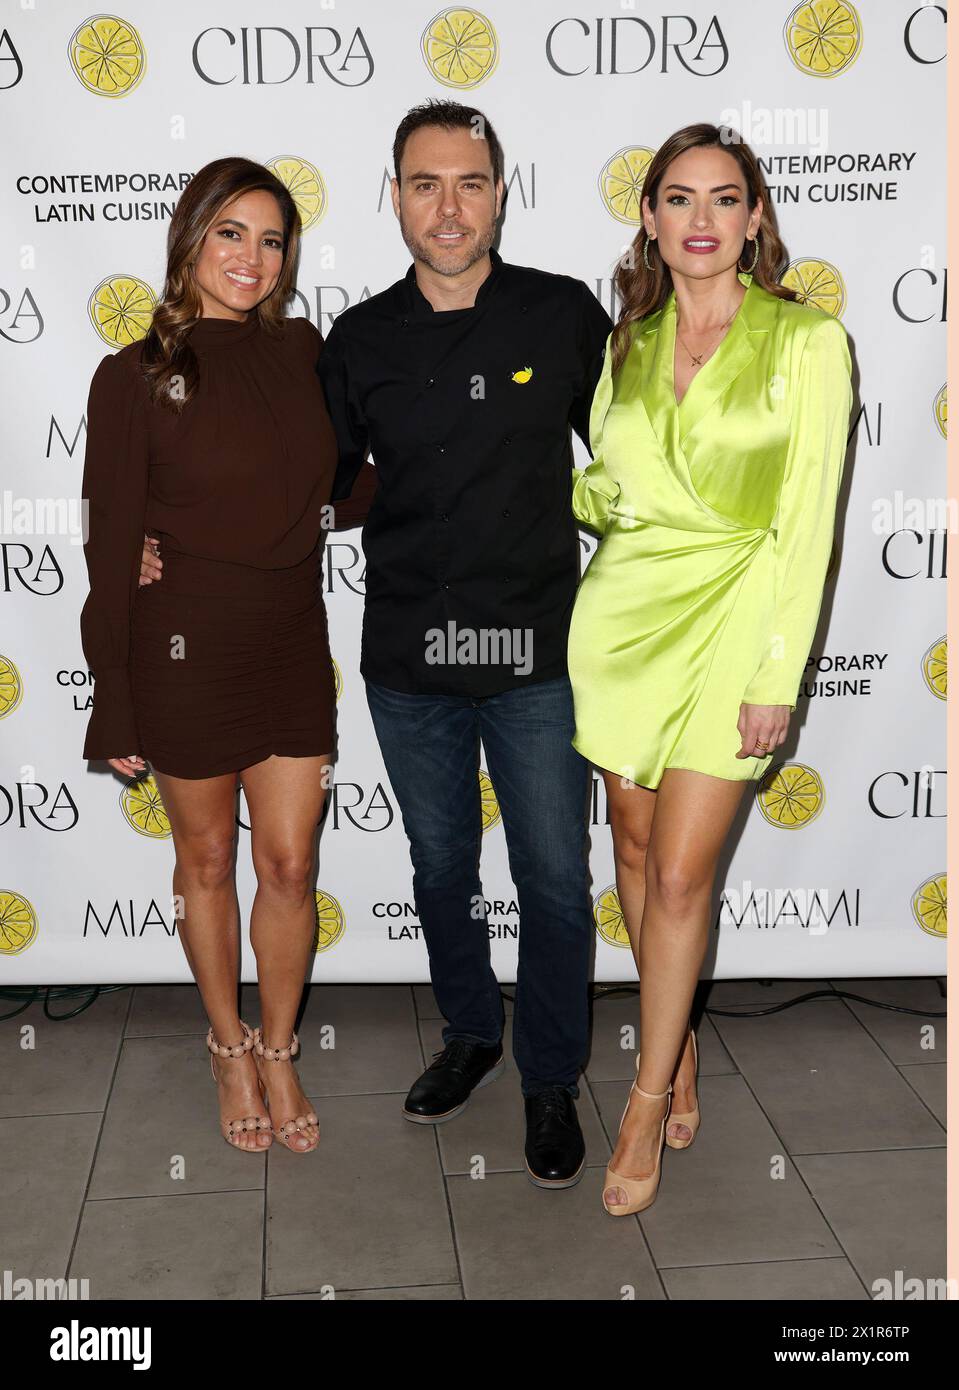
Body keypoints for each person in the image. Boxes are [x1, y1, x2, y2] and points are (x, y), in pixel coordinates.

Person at [314, 100, 612, 1188]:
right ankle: (469, 1032)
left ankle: (546, 1073)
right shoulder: (358, 339)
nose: (448, 206)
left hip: (536, 651)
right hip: (411, 656)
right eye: (425, 183)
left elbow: (634, 456)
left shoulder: (561, 314)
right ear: (392, 194)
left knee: (551, 877)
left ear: (500, 192)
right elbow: (332, 490)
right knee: (440, 865)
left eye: (469, 182)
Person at [567, 124, 853, 1215]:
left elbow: (805, 521)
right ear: (647, 217)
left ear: (753, 218)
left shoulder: (805, 342)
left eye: (722, 199)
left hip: (740, 618)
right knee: (633, 850)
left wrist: (776, 672)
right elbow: (609, 484)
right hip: (623, 619)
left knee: (682, 874)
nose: (698, 219)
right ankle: (676, 1040)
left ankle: (643, 1097)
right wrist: (574, 498)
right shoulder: (624, 342)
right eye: (676, 199)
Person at [81, 156, 369, 1155]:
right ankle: (225, 1043)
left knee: (290, 863)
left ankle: (279, 1046)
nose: (251, 257)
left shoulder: (303, 349)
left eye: (272, 238)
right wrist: (112, 698)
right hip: (183, 649)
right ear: (191, 238)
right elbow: (112, 538)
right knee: (205, 856)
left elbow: (340, 481)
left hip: (290, 638)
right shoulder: (133, 372)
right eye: (230, 233)